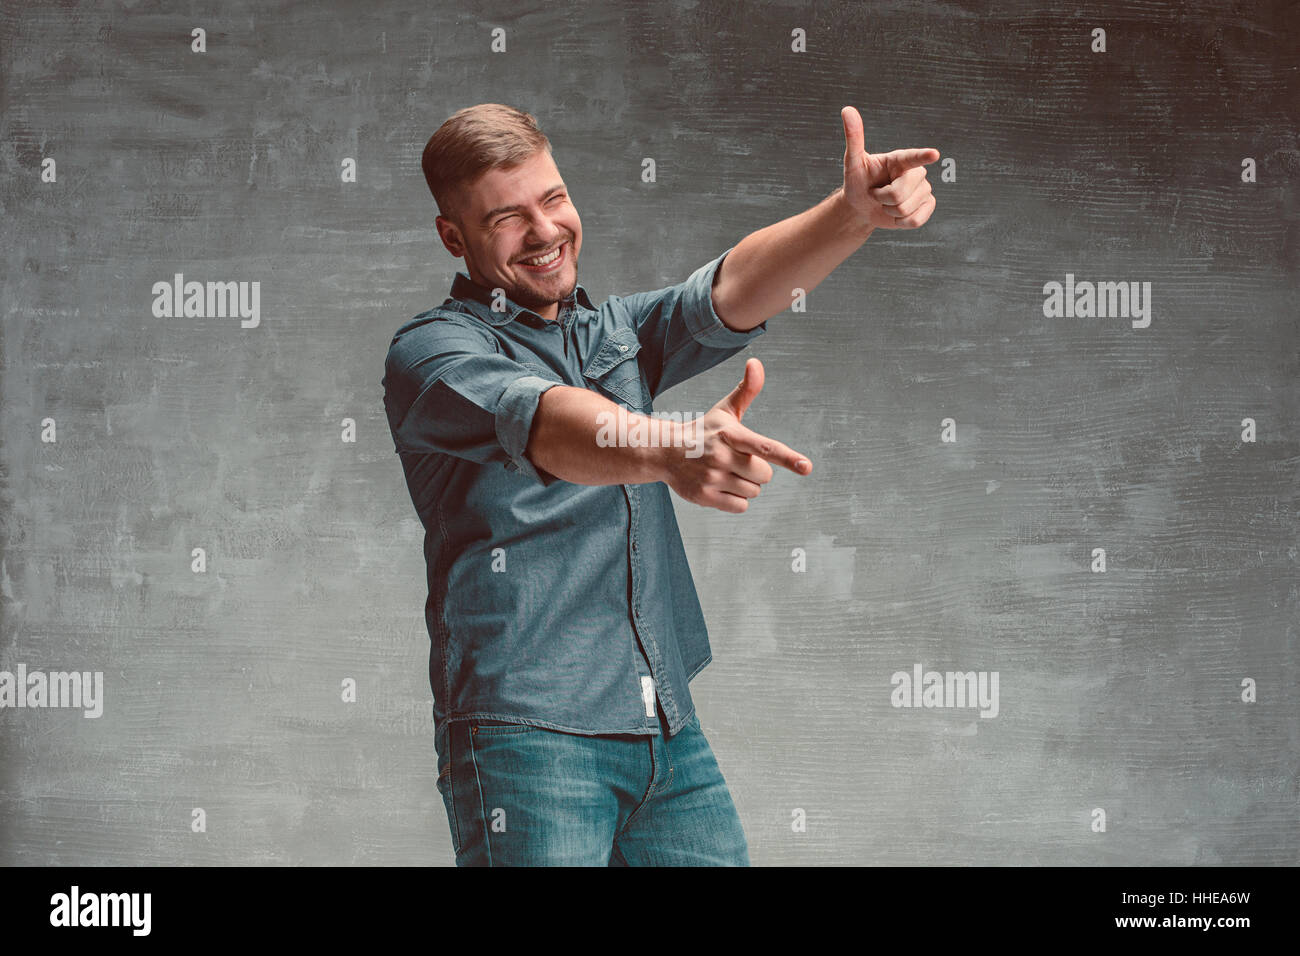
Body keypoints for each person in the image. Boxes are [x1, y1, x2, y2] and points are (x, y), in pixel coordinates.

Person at [383, 102, 938, 866]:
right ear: (454, 236)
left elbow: (731, 290)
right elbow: (547, 421)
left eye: (553, 200)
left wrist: (850, 215)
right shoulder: (432, 356)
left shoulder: (612, 334)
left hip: (665, 734)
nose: (545, 232)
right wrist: (671, 446)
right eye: (507, 218)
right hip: (528, 741)